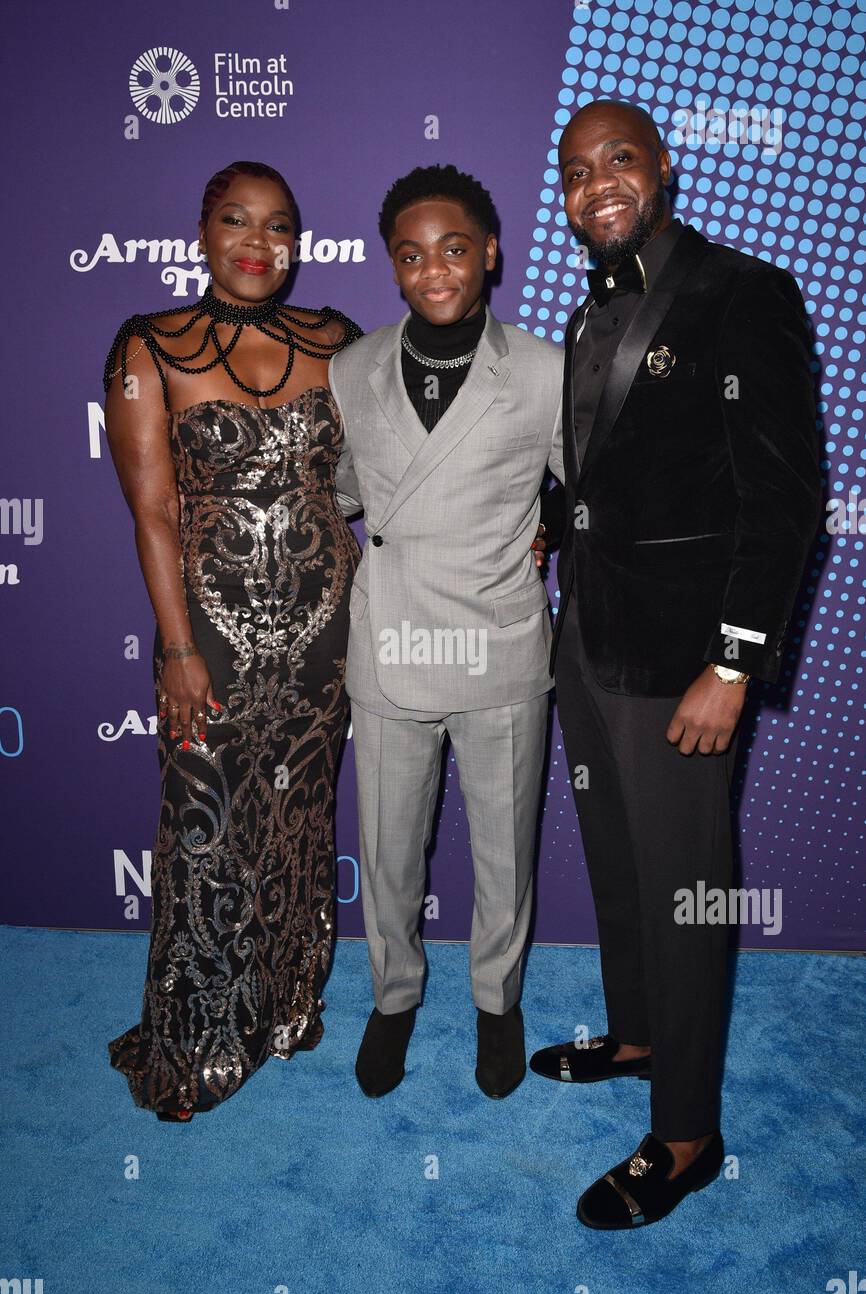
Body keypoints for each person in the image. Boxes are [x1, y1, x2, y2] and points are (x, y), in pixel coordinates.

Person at [530, 101, 821, 1226]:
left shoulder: (740, 292)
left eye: (616, 162)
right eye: (573, 172)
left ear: (661, 168)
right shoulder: (582, 312)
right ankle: (638, 1034)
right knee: (618, 867)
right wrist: (545, 518)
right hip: (588, 643)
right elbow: (604, 471)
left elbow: (782, 494)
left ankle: (686, 1132)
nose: (594, 184)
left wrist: (733, 663)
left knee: (688, 892)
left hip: (682, 662)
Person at [103, 161, 362, 1121]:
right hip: (207, 632)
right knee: (206, 828)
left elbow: (395, 469)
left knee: (298, 821)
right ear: (203, 231)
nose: (259, 241)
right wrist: (176, 650)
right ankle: (202, 1034)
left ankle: (287, 1003)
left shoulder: (338, 339)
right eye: (237, 220)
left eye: (279, 225)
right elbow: (155, 509)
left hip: (323, 628)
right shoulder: (150, 345)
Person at [328, 164, 564, 1101]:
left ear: (490, 253)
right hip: (389, 645)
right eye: (412, 254)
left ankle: (497, 1005)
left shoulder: (546, 369)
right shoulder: (352, 367)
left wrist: (548, 526)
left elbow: (583, 484)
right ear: (392, 266)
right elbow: (345, 488)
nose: (435, 270)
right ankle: (393, 999)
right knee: (388, 850)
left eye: (455, 248)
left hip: (498, 643)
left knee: (506, 850)